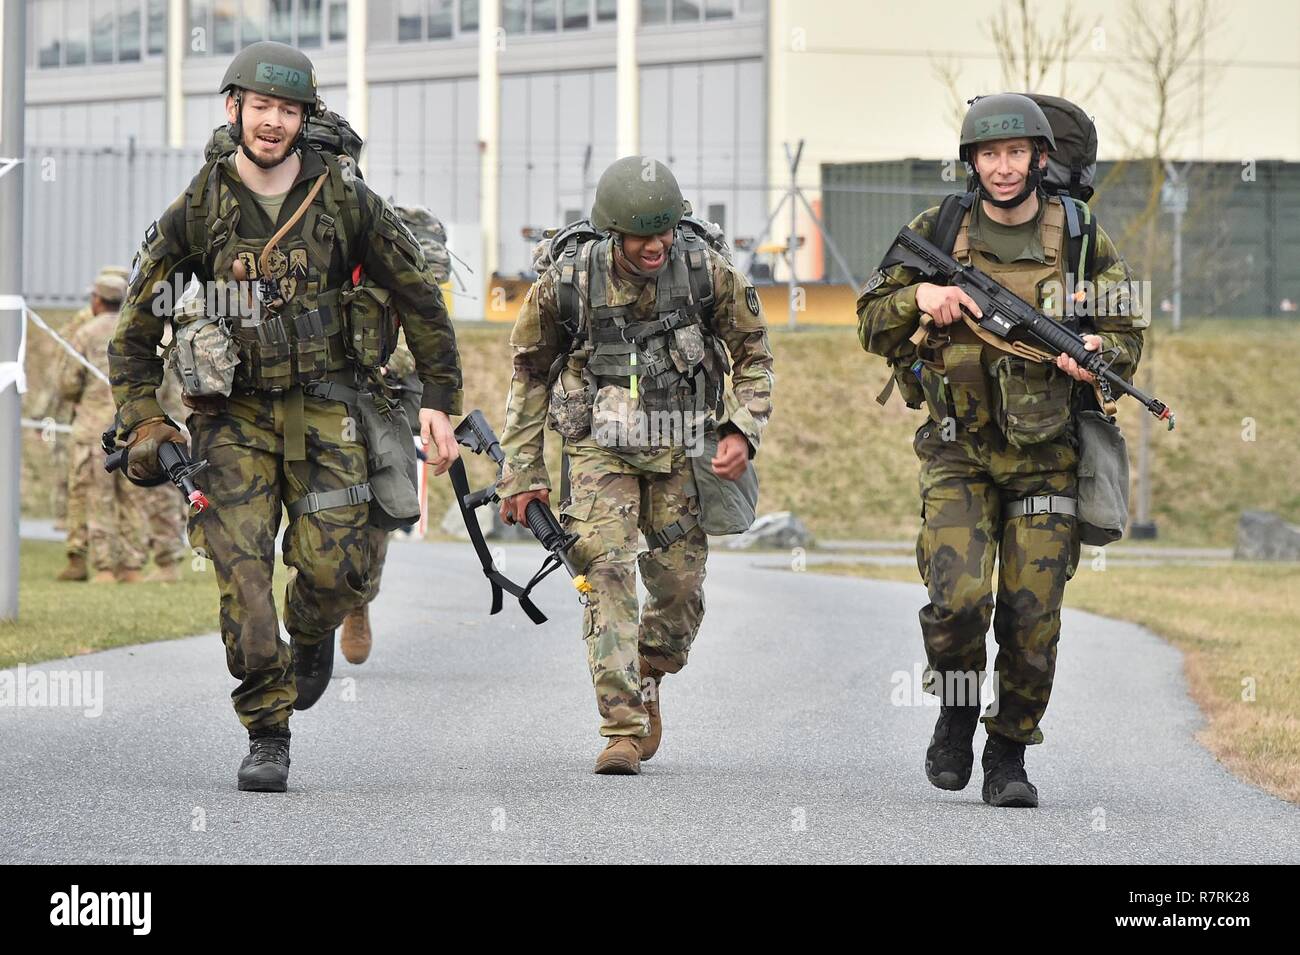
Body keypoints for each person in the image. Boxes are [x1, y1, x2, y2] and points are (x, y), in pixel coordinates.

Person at [108, 41, 462, 793]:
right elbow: (135, 332)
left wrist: (439, 400)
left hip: (328, 408)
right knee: (242, 577)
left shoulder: (345, 199)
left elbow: (420, 301)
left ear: (306, 118)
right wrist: (145, 422)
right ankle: (267, 729)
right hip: (229, 419)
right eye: (261, 106)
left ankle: (314, 629)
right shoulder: (198, 209)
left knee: (340, 570)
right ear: (233, 108)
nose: (273, 122)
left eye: (288, 109)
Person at [856, 93, 1146, 807]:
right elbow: (870, 320)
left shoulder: (1079, 234)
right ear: (972, 163)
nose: (1005, 166)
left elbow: (1128, 334)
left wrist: (1105, 352)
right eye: (990, 154)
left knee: (1032, 618)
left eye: (1017, 152)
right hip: (958, 452)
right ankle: (957, 710)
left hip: (1047, 454)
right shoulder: (939, 230)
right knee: (956, 603)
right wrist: (919, 301)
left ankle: (1008, 753)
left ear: (1040, 158)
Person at [496, 156, 774, 775]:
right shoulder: (568, 284)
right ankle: (620, 727)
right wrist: (523, 470)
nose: (657, 245)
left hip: (682, 445)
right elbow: (529, 374)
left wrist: (741, 428)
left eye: (666, 231)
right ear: (613, 233)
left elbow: (754, 352)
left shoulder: (707, 275)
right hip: (599, 447)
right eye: (643, 235)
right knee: (608, 569)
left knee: (679, 587)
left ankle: (652, 670)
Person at [58, 272, 149, 583]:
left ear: (97, 300)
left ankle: (104, 568)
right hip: (134, 426)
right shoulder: (134, 331)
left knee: (99, 497)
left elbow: (68, 384)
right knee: (133, 497)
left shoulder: (85, 333)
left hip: (94, 431)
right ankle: (133, 567)